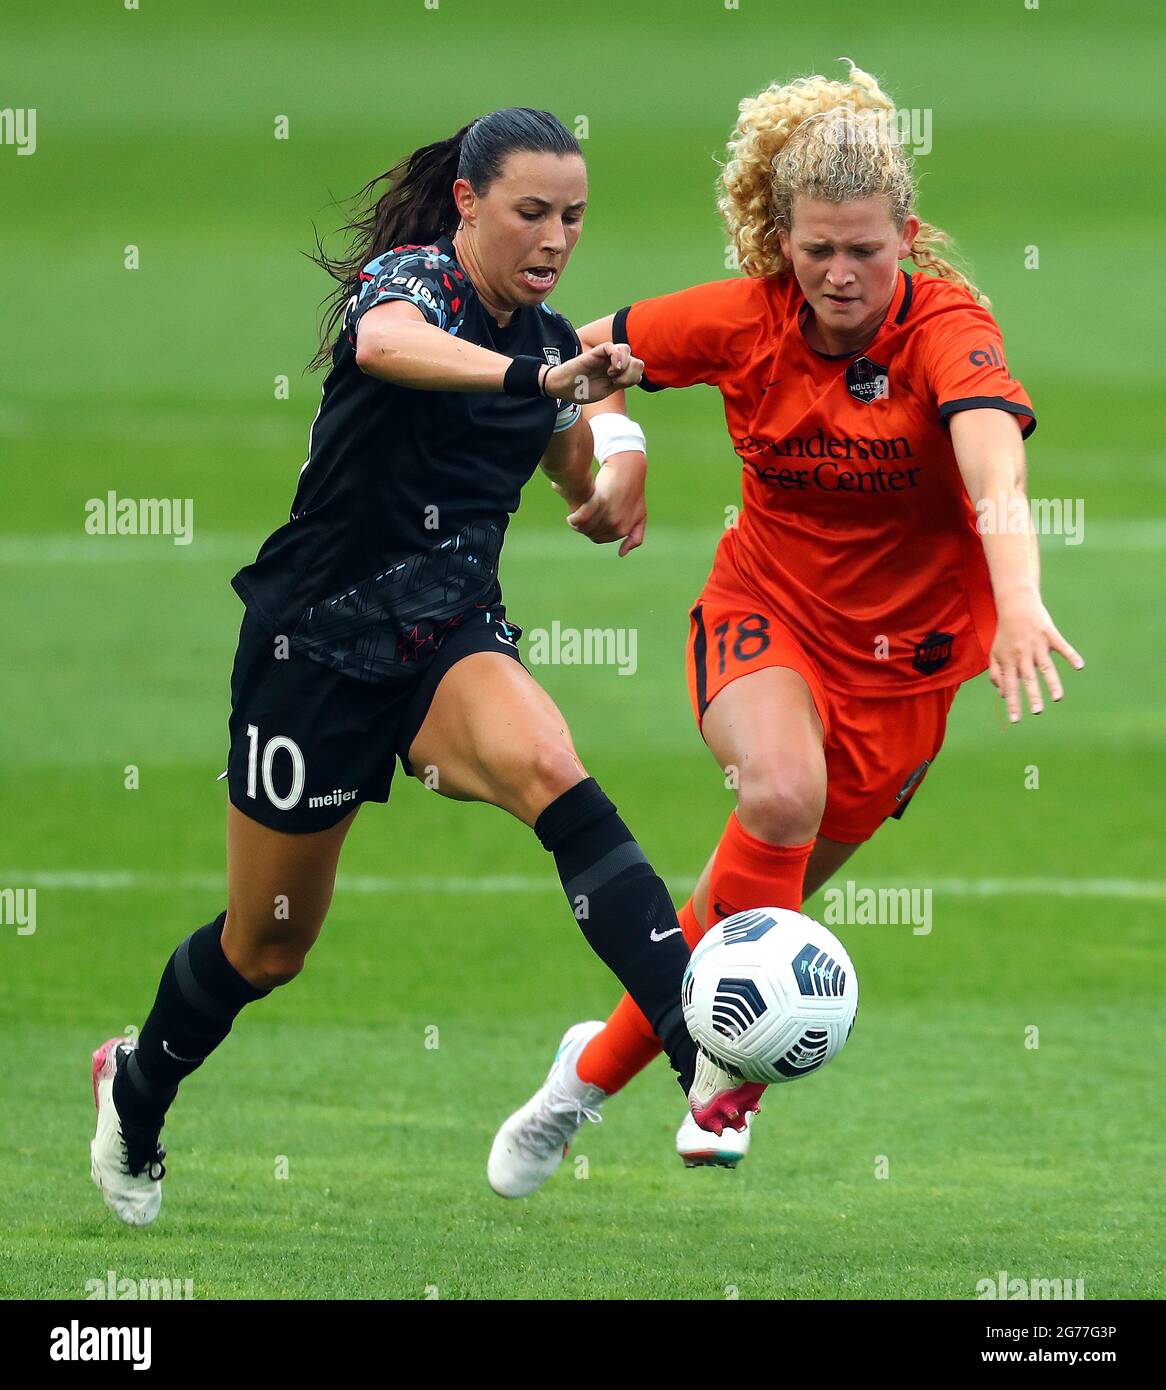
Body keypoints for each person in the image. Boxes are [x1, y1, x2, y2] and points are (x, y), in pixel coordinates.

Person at [88, 107, 755, 1226]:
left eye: (573, 218)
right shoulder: (412, 288)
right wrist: (536, 387)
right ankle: (136, 1081)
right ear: (467, 202)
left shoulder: (541, 350)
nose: (553, 238)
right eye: (529, 212)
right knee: (268, 944)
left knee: (550, 764)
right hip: (315, 648)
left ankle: (697, 1049)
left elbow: (573, 461)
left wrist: (609, 475)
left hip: (445, 641)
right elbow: (386, 350)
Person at [491, 65, 1084, 1191]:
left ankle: (582, 1077)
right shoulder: (741, 321)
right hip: (761, 611)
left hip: (902, 674)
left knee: (736, 911)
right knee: (774, 793)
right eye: (815, 249)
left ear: (903, 235)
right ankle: (723, 1084)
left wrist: (1017, 597)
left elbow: (989, 454)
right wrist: (617, 457)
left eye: (864, 247)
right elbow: (587, 355)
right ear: (780, 241)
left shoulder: (945, 326)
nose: (840, 273)